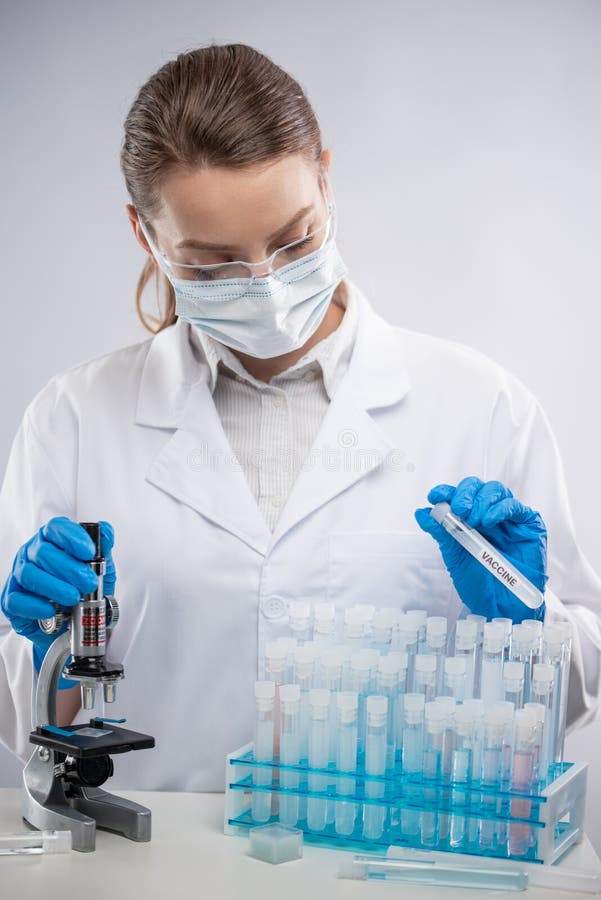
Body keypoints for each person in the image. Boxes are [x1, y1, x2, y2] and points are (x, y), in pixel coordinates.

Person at [1, 43, 600, 792]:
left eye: (294, 240)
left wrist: (526, 630)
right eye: (213, 264)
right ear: (145, 236)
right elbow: (28, 718)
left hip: (383, 862)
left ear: (325, 178)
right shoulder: (74, 420)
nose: (266, 287)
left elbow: (571, 699)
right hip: (154, 868)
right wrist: (48, 645)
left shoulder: (482, 407)